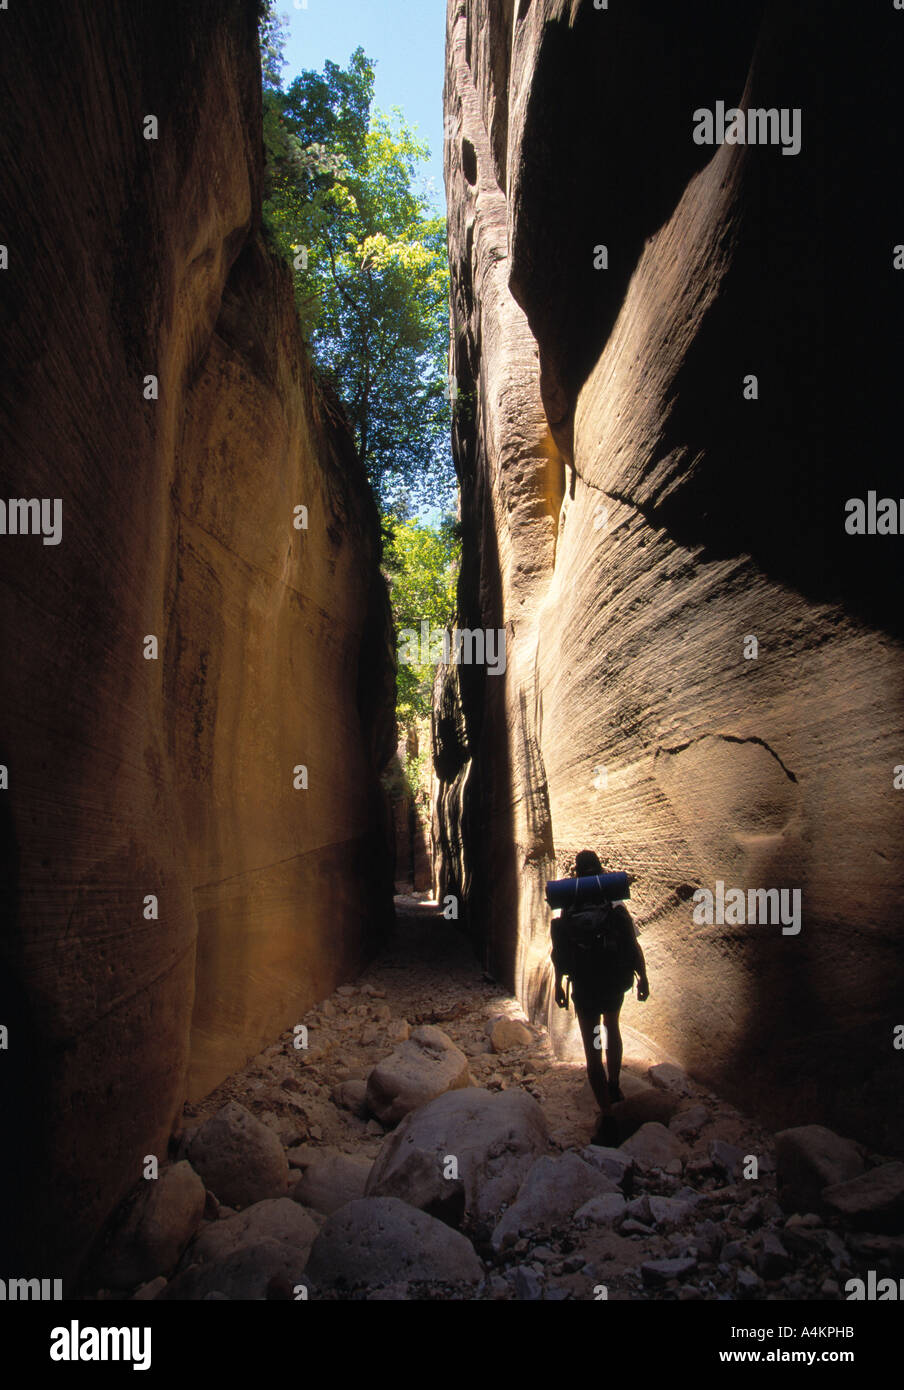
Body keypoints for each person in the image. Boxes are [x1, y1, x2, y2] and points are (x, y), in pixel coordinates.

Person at [551, 849, 649, 1147]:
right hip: (612, 984)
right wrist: (643, 978)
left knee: (592, 1044)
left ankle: (606, 1115)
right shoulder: (615, 907)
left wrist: (558, 986)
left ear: (577, 875)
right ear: (601, 872)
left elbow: (559, 955)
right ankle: (616, 1085)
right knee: (612, 1027)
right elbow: (632, 945)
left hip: (585, 988)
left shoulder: (566, 912)